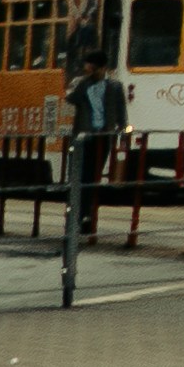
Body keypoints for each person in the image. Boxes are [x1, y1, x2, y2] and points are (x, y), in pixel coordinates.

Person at [64, 51, 128, 241]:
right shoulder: (83, 84)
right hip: (84, 136)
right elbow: (71, 99)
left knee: (92, 178)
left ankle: (85, 217)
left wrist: (123, 130)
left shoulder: (114, 86)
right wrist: (81, 83)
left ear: (101, 68)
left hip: (103, 137)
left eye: (90, 66)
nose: (86, 69)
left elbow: (121, 111)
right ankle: (78, 216)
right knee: (80, 177)